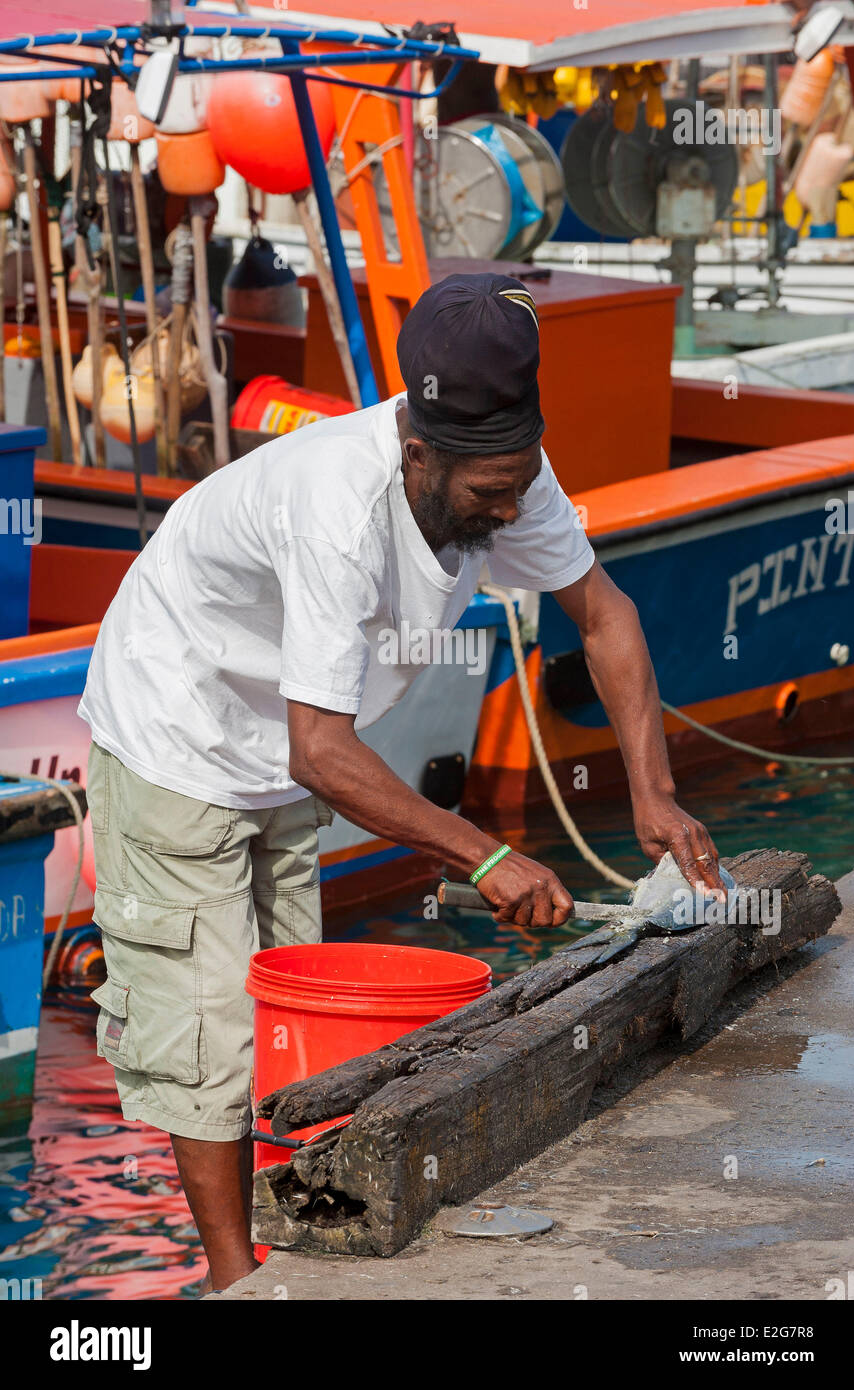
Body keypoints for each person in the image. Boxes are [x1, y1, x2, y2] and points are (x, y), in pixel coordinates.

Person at [79, 272, 723, 1291]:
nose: (510, 510)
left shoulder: (511, 469)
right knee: (204, 1030)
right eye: (487, 497)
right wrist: (491, 854)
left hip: (279, 738)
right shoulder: (339, 506)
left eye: (519, 485)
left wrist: (652, 788)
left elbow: (605, 616)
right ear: (419, 453)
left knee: (286, 1011)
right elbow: (322, 751)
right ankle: (236, 1280)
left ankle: (291, 1249)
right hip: (178, 724)